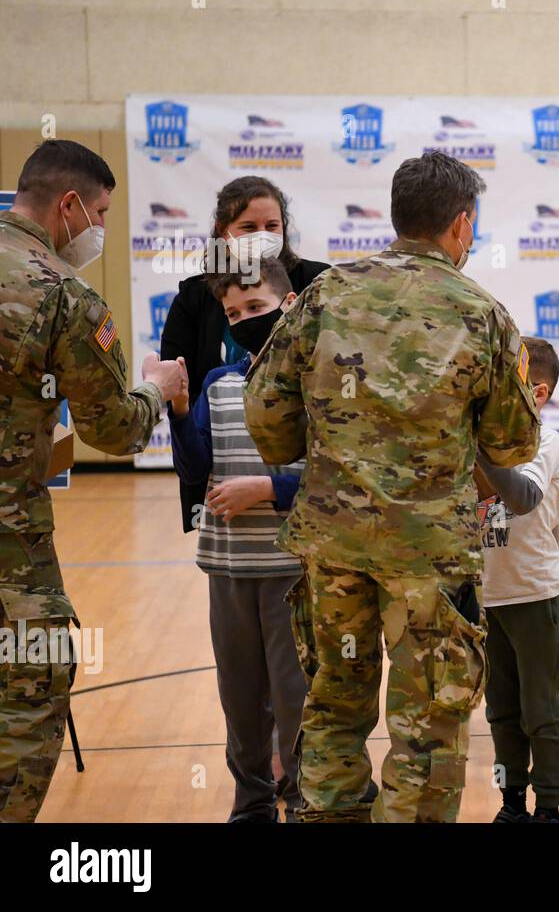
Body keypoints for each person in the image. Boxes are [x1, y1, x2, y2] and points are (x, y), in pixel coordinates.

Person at [243, 150, 539, 823]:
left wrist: (316, 451)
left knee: (334, 701)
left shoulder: (325, 294)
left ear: (397, 216)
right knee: (429, 721)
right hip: (430, 559)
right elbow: (514, 444)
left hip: (334, 547)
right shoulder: (481, 312)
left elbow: (266, 416)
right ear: (461, 225)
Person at [0, 139, 186, 822]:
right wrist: (158, 388)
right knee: (28, 694)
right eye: (102, 212)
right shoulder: (60, 295)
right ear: (70, 205)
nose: (100, 229)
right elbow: (116, 431)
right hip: (9, 558)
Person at [167, 256, 308, 823]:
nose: (245, 319)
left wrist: (266, 488)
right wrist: (178, 411)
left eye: (256, 308)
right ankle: (251, 803)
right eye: (234, 313)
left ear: (289, 305)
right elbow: (194, 466)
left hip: (291, 571)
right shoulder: (219, 384)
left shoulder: (314, 389)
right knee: (241, 701)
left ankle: (303, 800)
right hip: (227, 572)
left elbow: (333, 480)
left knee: (296, 699)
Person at [161, 176, 328, 535]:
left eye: (272, 226)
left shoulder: (319, 282)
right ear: (223, 232)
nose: (262, 235)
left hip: (303, 479)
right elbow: (179, 383)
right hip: (225, 475)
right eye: (248, 227)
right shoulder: (194, 297)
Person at [476, 337, 559, 824]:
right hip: (488, 597)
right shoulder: (484, 442)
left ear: (536, 393)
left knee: (540, 711)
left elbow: (522, 497)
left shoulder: (545, 441)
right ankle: (511, 801)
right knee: (501, 712)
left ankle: (549, 805)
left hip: (535, 595)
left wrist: (473, 445)